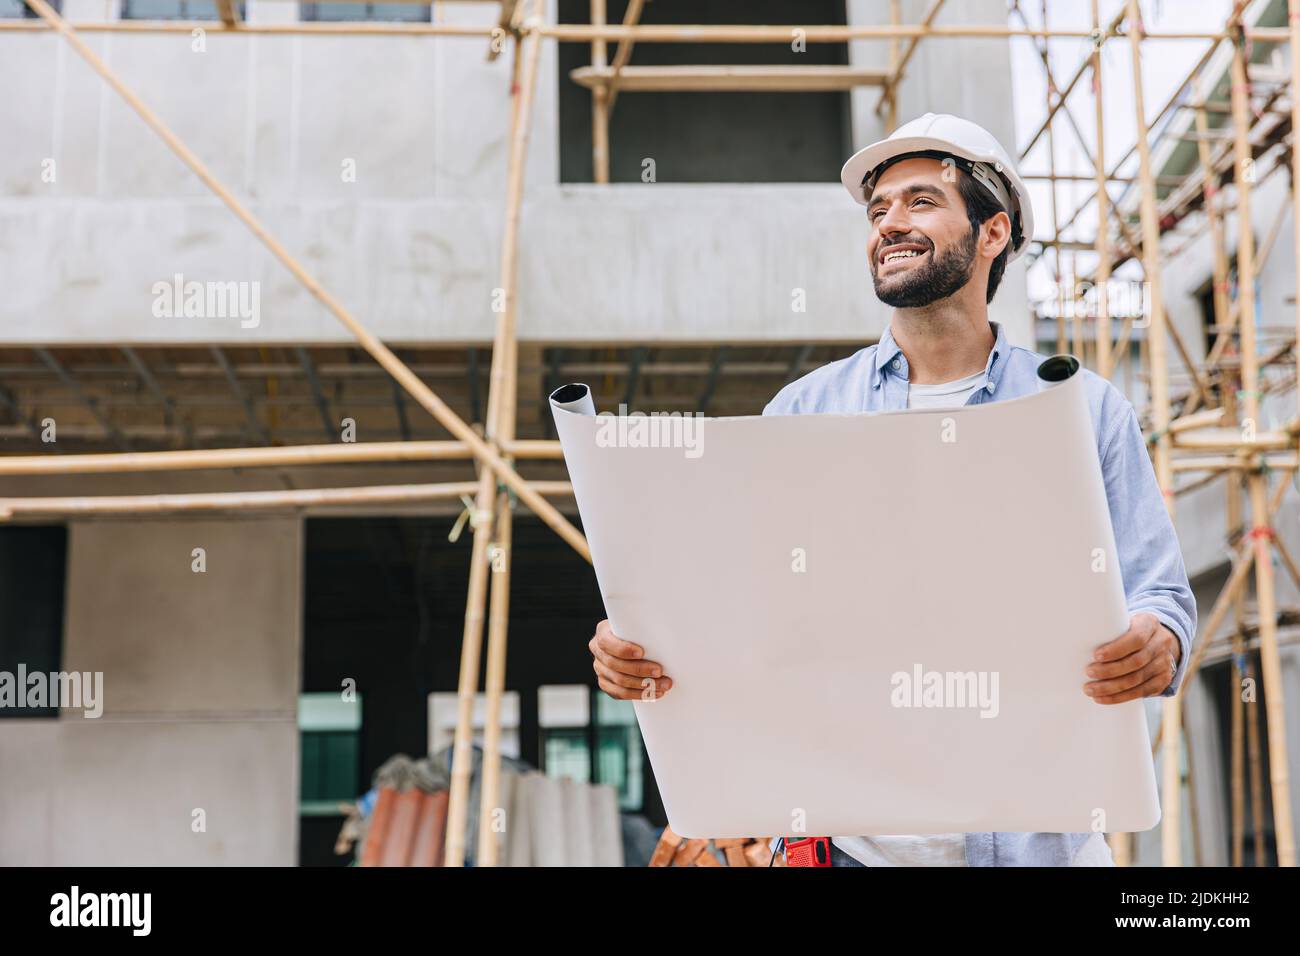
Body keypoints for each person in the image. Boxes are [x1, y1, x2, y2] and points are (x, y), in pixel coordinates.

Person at [586, 113, 1197, 867]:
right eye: (878, 211)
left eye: (919, 201)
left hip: (1034, 850)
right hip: (849, 851)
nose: (889, 225)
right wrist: (640, 646)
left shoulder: (1081, 409)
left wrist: (1156, 644)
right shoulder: (806, 412)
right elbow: (742, 610)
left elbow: (1161, 596)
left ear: (992, 232)